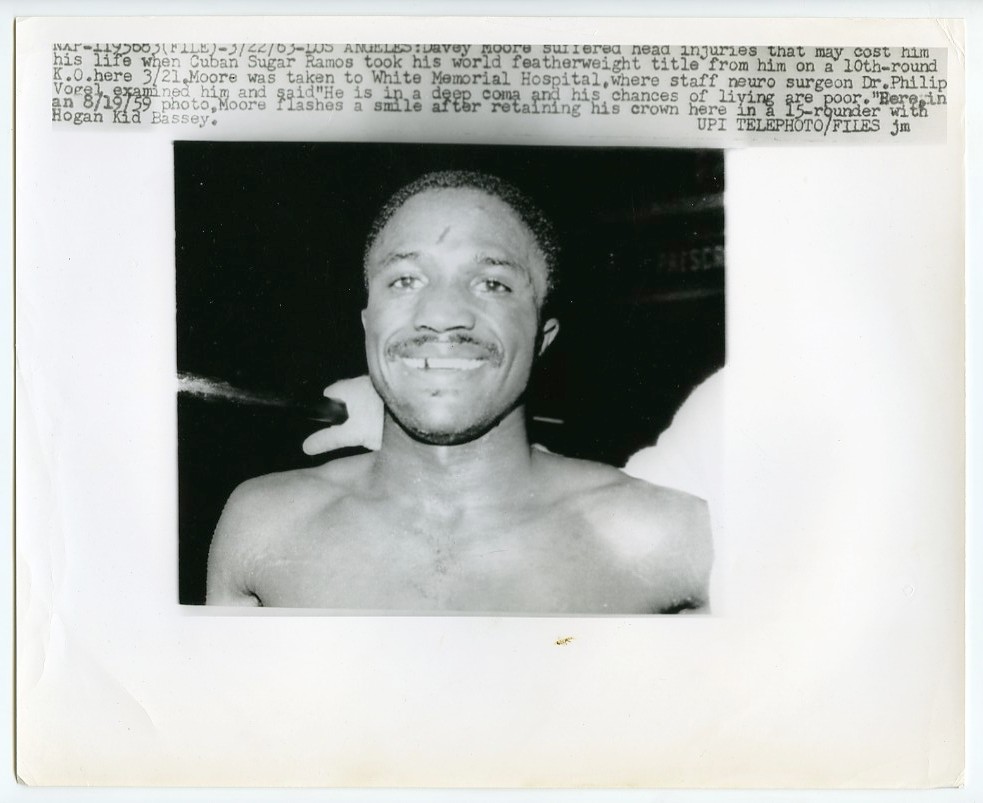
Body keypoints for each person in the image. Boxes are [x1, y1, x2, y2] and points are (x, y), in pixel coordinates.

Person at [206, 170, 712, 613]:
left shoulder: (670, 538)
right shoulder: (263, 526)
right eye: (405, 280)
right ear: (367, 324)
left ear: (542, 337)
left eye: (492, 283)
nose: (442, 315)